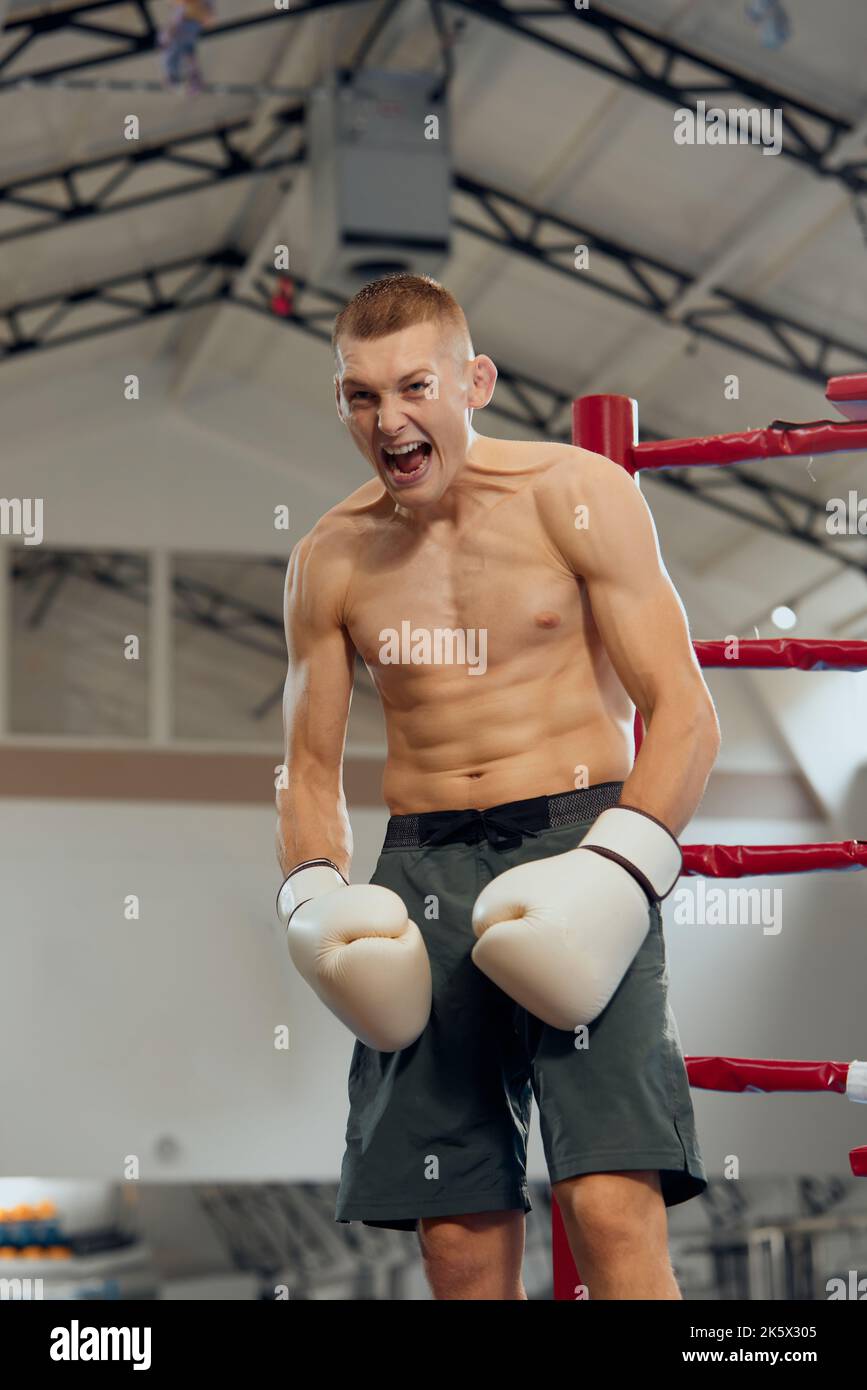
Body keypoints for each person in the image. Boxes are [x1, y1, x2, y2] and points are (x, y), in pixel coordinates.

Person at [275, 273, 720, 1301]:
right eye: (360, 396)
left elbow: (687, 714)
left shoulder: (581, 494)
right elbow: (307, 767)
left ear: (472, 381)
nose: (390, 420)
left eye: (414, 387)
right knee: (458, 1238)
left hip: (579, 843)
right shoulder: (329, 557)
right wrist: (311, 898)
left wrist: (620, 868)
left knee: (611, 1203)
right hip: (421, 865)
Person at [158, 0, 215, 95]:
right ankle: (192, 81)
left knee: (176, 50)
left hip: (189, 21)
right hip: (189, 20)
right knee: (187, 51)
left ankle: (178, 79)